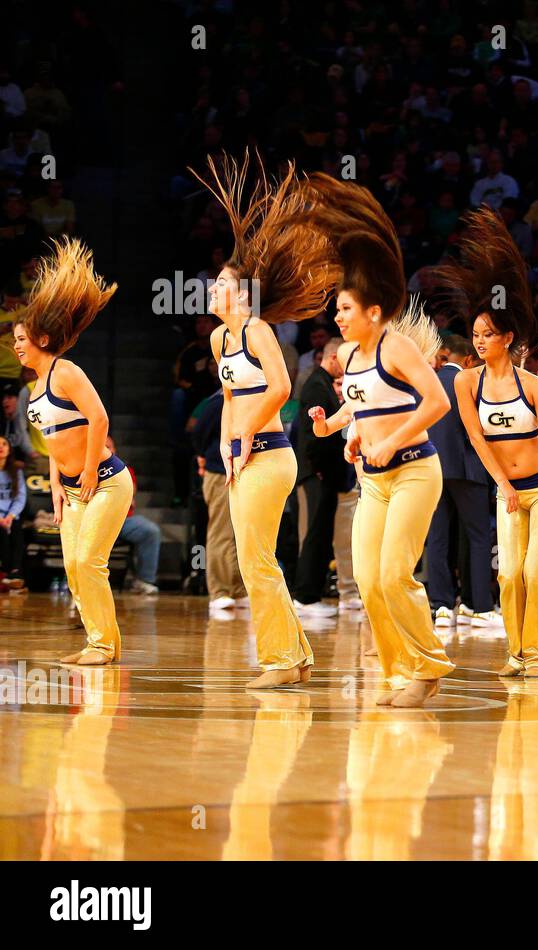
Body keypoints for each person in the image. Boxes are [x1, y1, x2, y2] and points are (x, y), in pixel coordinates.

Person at [302, 173, 455, 708]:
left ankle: (428, 665)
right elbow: (365, 405)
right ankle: (396, 672)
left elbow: (437, 403)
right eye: (336, 310)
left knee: (394, 575)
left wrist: (392, 443)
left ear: (373, 312)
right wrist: (338, 426)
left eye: (344, 309)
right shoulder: (348, 357)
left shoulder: (397, 348)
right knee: (367, 581)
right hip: (373, 480)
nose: (336, 317)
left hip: (414, 471)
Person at [194, 153, 332, 689]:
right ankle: (293, 658)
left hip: (273, 453)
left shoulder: (255, 330)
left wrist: (248, 435)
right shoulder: (218, 338)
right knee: (256, 559)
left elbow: (279, 388)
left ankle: (282, 661)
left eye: (220, 285)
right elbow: (230, 398)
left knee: (256, 560)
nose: (212, 289)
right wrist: (231, 447)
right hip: (243, 456)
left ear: (242, 293)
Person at [441, 208, 538, 678]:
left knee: (537, 570)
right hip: (508, 489)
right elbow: (476, 438)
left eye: (488, 335)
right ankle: (516, 652)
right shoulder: (465, 383)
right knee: (507, 573)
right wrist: (503, 485)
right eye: (475, 335)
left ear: (508, 338)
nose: (479, 342)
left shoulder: (534, 386)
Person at [15, 238, 127, 665]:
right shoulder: (36, 387)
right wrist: (59, 484)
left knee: (88, 560)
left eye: (23, 339)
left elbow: (99, 420)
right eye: (14, 341)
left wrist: (92, 472)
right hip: (73, 486)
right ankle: (101, 642)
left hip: (106, 482)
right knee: (75, 570)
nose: (17, 346)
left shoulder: (67, 372)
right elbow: (54, 441)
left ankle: (102, 646)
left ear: (44, 337)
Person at [424, 333, 498, 626]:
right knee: (478, 537)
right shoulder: (471, 381)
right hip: (469, 469)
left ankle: (441, 606)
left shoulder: (428, 382)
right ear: (469, 360)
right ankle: (477, 607)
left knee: (438, 538)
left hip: (433, 469)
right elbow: (481, 429)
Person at [293, 336, 349, 616]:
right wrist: (315, 467)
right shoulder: (317, 384)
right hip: (315, 472)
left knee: (321, 532)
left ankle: (310, 595)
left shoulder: (323, 383)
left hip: (324, 472)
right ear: (333, 357)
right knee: (314, 533)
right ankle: (305, 596)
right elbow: (310, 433)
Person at [190, 388, 246, 611]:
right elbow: (198, 433)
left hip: (243, 471)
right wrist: (204, 456)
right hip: (219, 471)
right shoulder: (219, 400)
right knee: (221, 533)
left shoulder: (251, 394)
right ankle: (219, 591)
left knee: (239, 534)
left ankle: (238, 589)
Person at [106, 435, 162, 595]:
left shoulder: (125, 470)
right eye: (102, 446)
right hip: (95, 521)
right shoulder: (86, 467)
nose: (106, 450)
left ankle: (144, 580)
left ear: (115, 450)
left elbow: (129, 498)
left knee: (150, 530)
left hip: (122, 521)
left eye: (109, 447)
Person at [0, 434, 26, 590]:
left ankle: (15, 572)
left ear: (9, 449)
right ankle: (8, 572)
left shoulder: (16, 470)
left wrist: (10, 516)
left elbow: (20, 497)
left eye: (4, 444)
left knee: (17, 530)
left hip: (11, 516)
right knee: (2, 533)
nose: (1, 447)